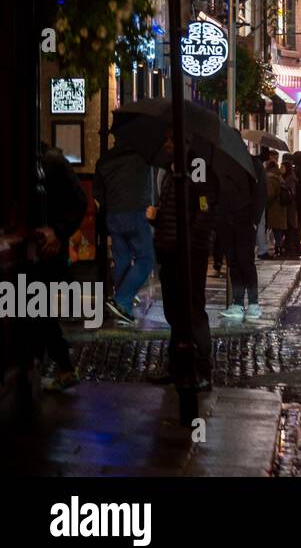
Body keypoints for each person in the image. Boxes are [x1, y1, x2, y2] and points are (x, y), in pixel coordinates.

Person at [151, 135, 217, 390]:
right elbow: (170, 211)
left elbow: (205, 208)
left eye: (170, 139)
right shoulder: (171, 172)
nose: (166, 144)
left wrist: (191, 239)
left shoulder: (197, 169)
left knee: (192, 309)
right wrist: (156, 218)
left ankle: (202, 369)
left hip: (189, 253)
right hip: (169, 251)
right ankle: (177, 366)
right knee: (175, 311)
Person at [29, 146, 88, 389]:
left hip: (47, 251)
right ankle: (50, 368)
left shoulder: (51, 161)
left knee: (37, 311)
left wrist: (59, 232)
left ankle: (62, 367)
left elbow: (80, 202)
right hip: (40, 249)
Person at [94, 143, 156, 326]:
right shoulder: (141, 154)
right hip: (135, 212)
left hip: (113, 214)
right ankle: (121, 300)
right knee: (146, 259)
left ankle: (124, 307)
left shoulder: (105, 159)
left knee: (122, 259)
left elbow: (98, 191)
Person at [222, 147, 266, 321]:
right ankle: (238, 302)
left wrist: (254, 219)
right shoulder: (222, 162)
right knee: (233, 262)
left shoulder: (252, 163)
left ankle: (253, 303)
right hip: (227, 220)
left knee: (245, 261)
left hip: (244, 220)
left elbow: (260, 192)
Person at [264, 151, 291, 257]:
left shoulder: (270, 179)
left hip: (273, 208)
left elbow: (270, 194)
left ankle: (276, 248)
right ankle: (278, 247)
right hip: (280, 207)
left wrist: (265, 201)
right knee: (277, 230)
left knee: (274, 230)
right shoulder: (279, 177)